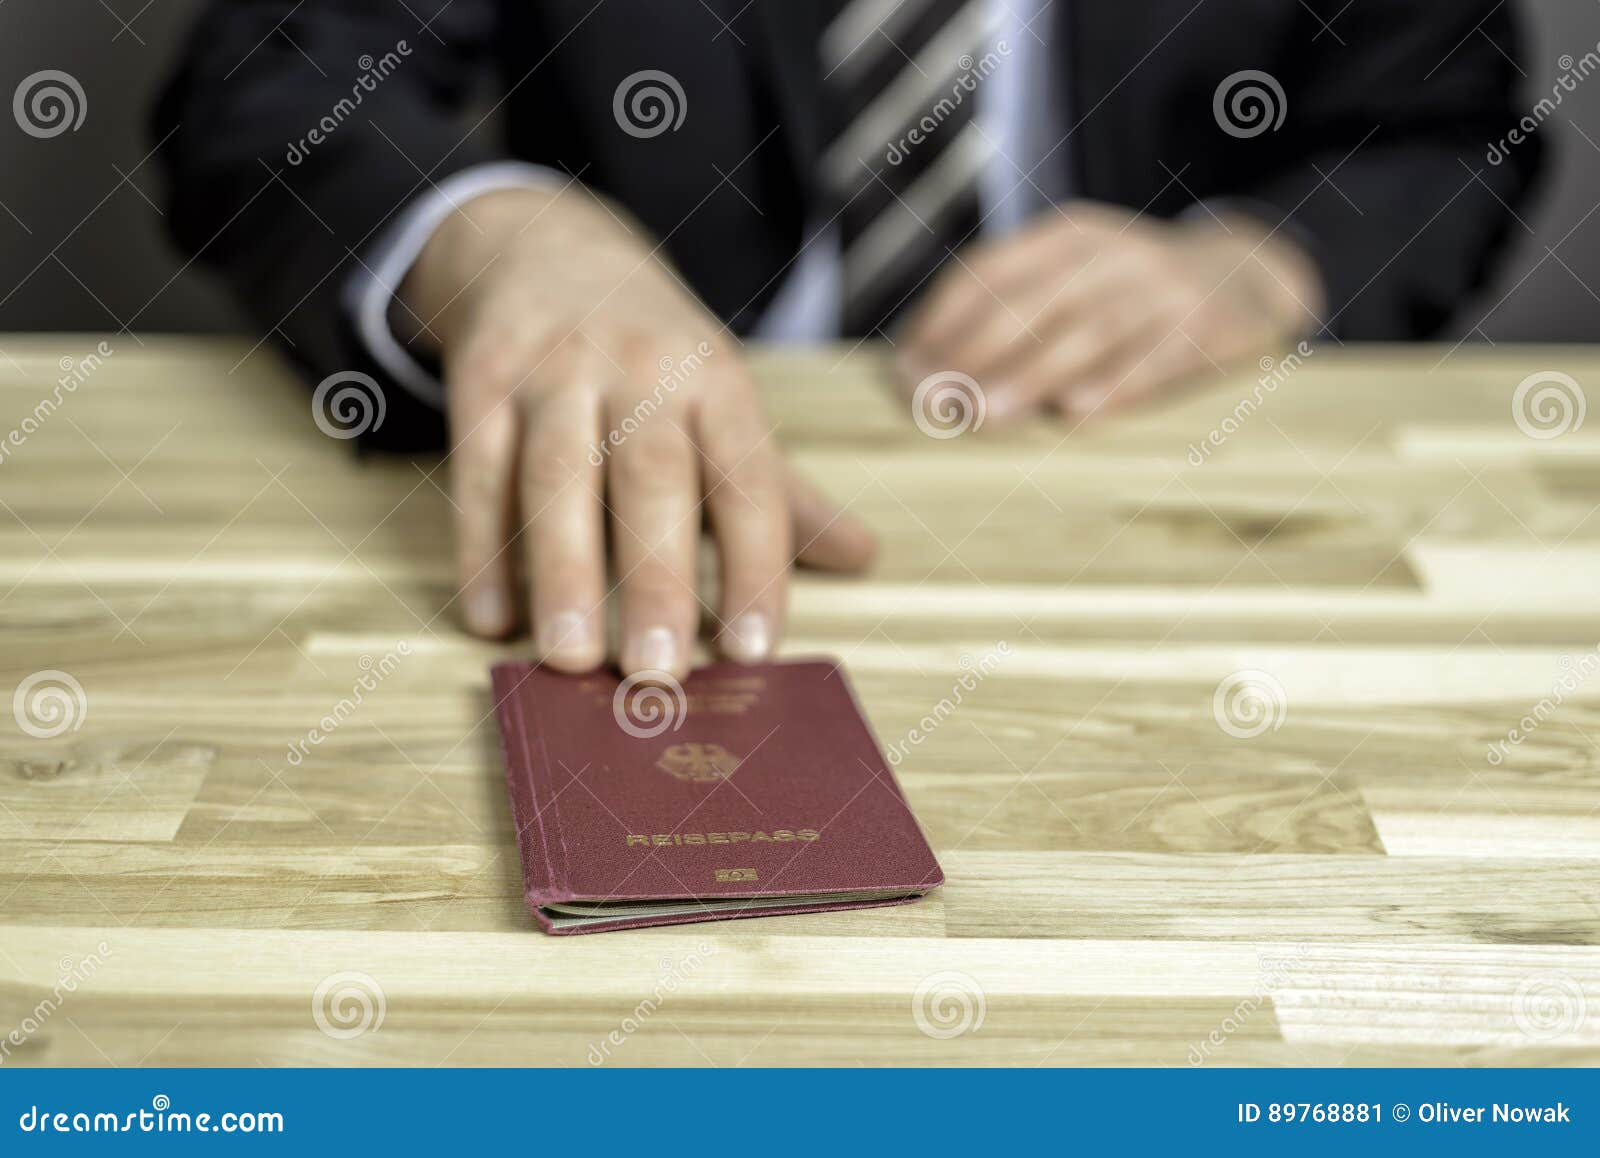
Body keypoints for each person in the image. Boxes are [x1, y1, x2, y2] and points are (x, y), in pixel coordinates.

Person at [155, 0, 1540, 677]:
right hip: (651, 471)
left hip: (1152, 484)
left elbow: (1451, 124)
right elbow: (264, 75)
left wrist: (1263, 257)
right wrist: (496, 232)